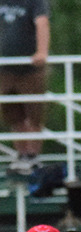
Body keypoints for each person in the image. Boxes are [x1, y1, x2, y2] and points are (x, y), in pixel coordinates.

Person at [0, 0, 49, 175]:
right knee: (13, 115)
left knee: (34, 113)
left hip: (30, 68)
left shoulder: (35, 2)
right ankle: (22, 155)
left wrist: (42, 51)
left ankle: (32, 156)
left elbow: (42, 23)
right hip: (6, 68)